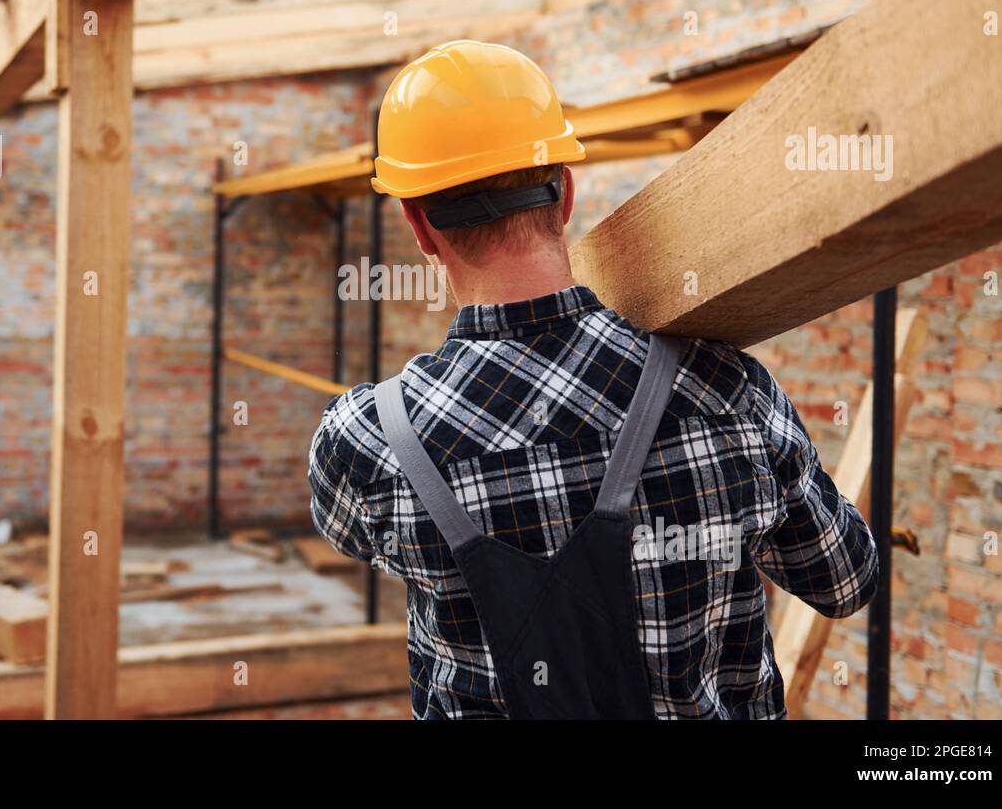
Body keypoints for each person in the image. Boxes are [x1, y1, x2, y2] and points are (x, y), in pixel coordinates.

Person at [308, 39, 878, 719]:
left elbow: (350, 533)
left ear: (419, 227)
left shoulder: (369, 442)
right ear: (567, 192)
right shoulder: (727, 391)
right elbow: (845, 580)